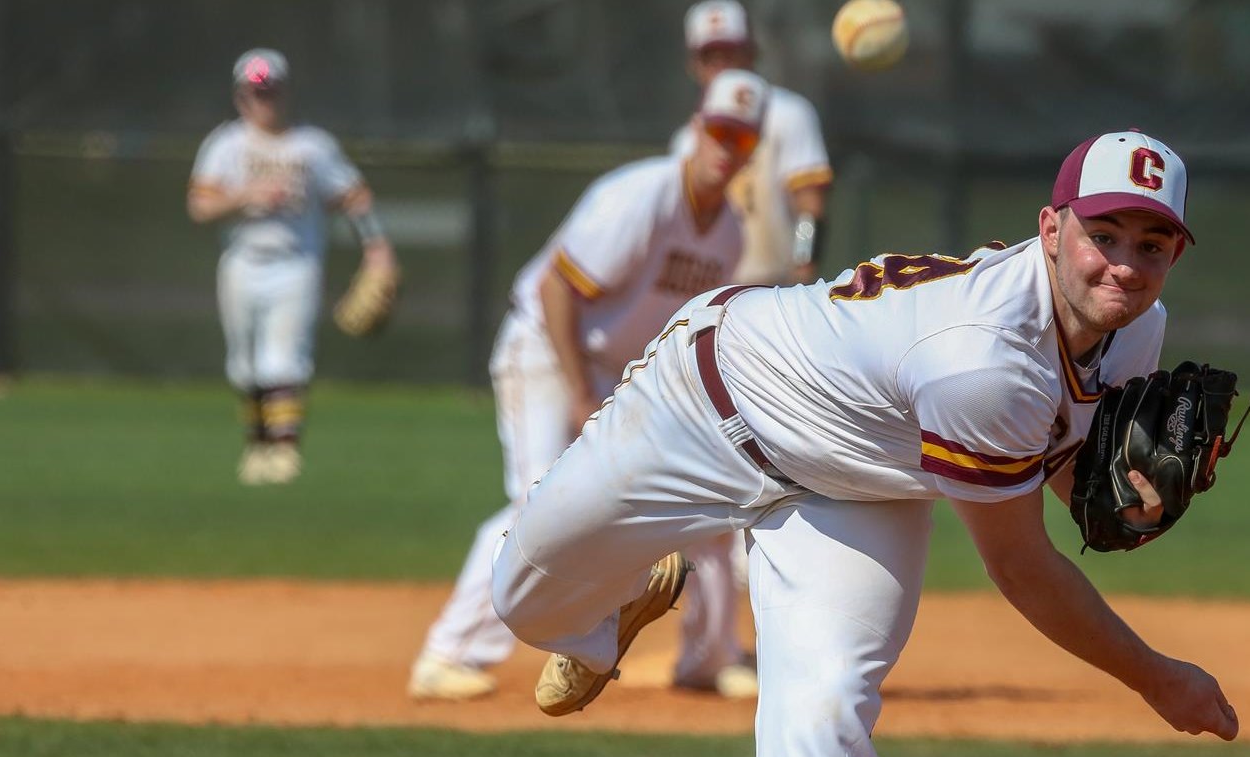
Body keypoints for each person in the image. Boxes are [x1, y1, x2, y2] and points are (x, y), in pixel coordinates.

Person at [489, 130, 1239, 757]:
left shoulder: (1131, 332)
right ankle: (621, 601)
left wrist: (1121, 497)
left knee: (819, 714)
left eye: (1152, 242)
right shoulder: (983, 363)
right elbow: (1022, 570)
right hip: (706, 404)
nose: (1125, 262)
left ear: (1175, 253)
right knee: (522, 603)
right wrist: (1157, 677)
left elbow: (1061, 472)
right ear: (1050, 228)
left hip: (855, 489)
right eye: (1105, 233)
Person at [404, 70, 767, 703]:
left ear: (752, 150)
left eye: (739, 138)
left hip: (623, 376)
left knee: (700, 498)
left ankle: (709, 658)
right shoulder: (641, 198)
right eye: (717, 131)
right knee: (538, 503)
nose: (723, 148)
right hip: (545, 351)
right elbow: (556, 289)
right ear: (695, 128)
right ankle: (449, 653)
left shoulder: (729, 232)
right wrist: (578, 391)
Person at [662, 0, 838, 698]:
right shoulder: (688, 136)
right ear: (693, 63)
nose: (722, 61)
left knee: (784, 473)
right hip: (710, 316)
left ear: (751, 50)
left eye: (731, 48)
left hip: (772, 303)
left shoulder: (787, 113)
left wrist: (803, 274)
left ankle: (772, 639)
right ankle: (716, 644)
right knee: (721, 478)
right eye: (710, 54)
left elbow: (812, 197)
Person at [187, 48, 395, 486]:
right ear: (240, 96)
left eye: (271, 91)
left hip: (296, 263)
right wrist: (246, 196)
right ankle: (257, 445)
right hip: (241, 262)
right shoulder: (226, 144)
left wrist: (377, 248)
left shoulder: (311, 146)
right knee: (244, 363)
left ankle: (284, 451)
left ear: (285, 92)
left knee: (284, 358)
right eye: (255, 92)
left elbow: (355, 196)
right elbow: (199, 205)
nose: (264, 101)